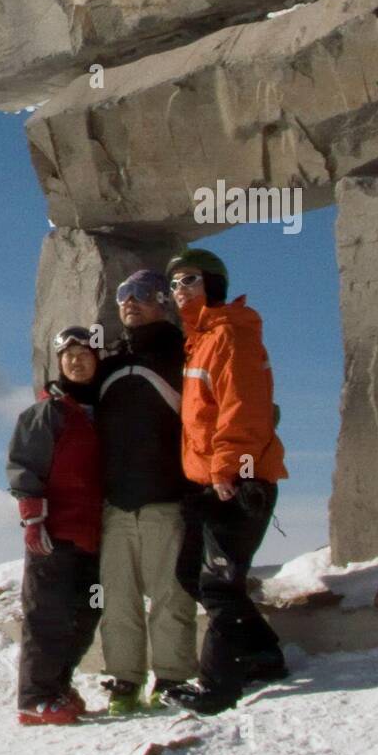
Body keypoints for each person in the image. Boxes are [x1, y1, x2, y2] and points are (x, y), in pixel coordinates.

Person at [163, 248, 288, 715]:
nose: (179, 290)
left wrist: (228, 470)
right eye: (174, 283)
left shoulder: (231, 333)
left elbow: (244, 410)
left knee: (218, 585)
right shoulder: (200, 339)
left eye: (190, 280)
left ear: (213, 283)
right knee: (190, 574)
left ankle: (217, 687)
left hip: (237, 481)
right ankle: (263, 656)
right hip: (209, 483)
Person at [95, 270, 198, 715]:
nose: (129, 301)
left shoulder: (182, 356)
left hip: (166, 500)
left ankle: (172, 678)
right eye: (123, 294)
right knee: (117, 600)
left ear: (163, 302)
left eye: (141, 294)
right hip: (116, 505)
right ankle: (125, 680)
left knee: (171, 597)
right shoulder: (109, 364)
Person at [6, 327, 102, 727]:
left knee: (87, 612)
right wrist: (33, 518)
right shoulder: (46, 413)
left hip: (92, 535)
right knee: (47, 615)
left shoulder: (99, 411)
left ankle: (58, 687)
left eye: (84, 355)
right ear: (58, 363)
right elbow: (24, 465)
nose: (76, 362)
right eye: (69, 356)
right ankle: (35, 698)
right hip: (54, 533)